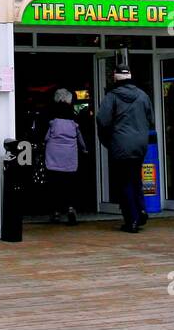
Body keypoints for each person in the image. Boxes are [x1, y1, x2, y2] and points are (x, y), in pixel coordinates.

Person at [96, 64, 154, 233]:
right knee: (136, 178)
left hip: (120, 145)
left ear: (115, 77)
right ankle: (141, 209)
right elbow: (150, 119)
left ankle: (132, 220)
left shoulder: (112, 97)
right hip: (140, 145)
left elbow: (102, 120)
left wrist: (109, 138)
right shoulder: (143, 96)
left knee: (124, 182)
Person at [43, 89, 87, 225]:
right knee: (70, 184)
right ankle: (71, 208)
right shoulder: (74, 117)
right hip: (70, 157)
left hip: (53, 156)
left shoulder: (51, 116)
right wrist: (84, 149)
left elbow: (45, 137)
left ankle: (55, 212)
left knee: (54, 184)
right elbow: (80, 136)